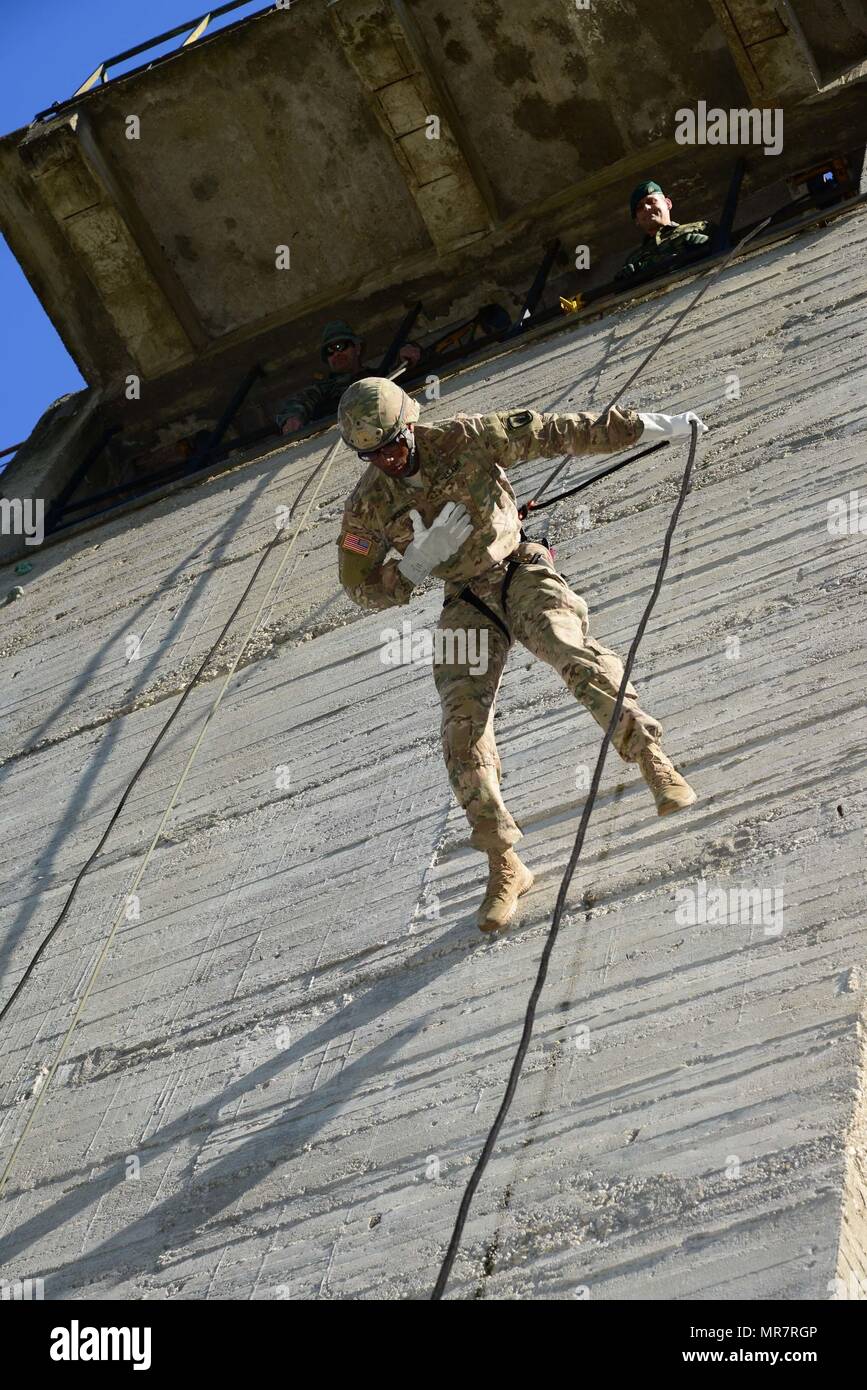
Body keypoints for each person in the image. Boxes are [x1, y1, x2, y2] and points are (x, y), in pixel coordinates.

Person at [336, 377, 705, 933]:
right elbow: (357, 584)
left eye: (392, 444)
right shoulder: (368, 503)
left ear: (408, 425)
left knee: (568, 649)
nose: (387, 459)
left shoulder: (467, 438)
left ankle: (652, 759)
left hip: (516, 569)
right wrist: (411, 569)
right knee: (461, 726)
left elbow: (562, 432)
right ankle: (504, 862)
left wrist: (662, 425)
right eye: (373, 454)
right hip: (464, 600)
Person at [275, 319, 421, 435]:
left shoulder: (381, 376)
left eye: (340, 346)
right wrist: (292, 418)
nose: (336, 354)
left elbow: (405, 371)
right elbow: (300, 400)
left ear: (357, 348)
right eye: (329, 352)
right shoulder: (324, 389)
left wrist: (409, 353)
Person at [615, 180, 715, 284]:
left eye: (651, 201)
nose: (646, 208)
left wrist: (707, 244)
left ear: (668, 203)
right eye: (639, 208)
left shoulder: (702, 228)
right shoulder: (633, 259)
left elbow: (724, 258)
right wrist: (624, 279)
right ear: (636, 220)